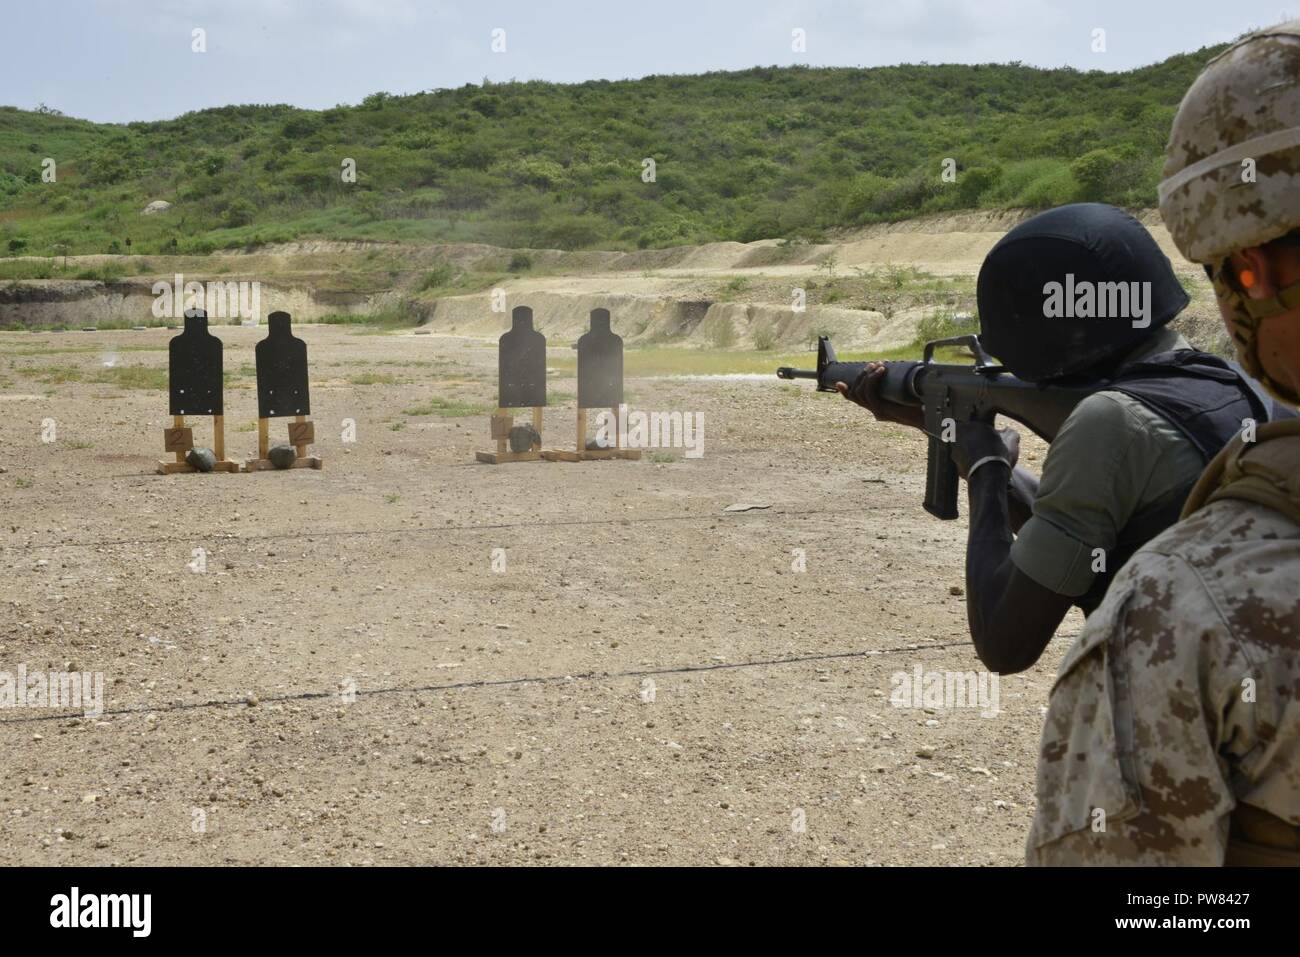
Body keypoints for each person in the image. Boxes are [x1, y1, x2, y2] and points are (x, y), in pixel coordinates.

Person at [1027, 21, 1300, 866]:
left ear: (1243, 277)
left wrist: (991, 469)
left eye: (1247, 270)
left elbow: (1005, 641)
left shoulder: (1185, 608)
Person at [839, 202, 1272, 674]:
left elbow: (1005, 642)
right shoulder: (1239, 385)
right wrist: (950, 433)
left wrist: (984, 474)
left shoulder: (1113, 420)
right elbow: (1088, 526)